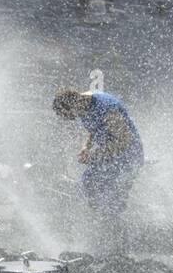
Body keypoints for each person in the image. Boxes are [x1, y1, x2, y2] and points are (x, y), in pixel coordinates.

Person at [52, 88, 144, 243]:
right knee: (86, 187)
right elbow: (93, 129)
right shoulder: (83, 105)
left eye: (71, 116)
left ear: (74, 105)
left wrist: (94, 155)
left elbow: (123, 141)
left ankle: (118, 241)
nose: (74, 119)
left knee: (110, 201)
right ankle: (99, 232)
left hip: (127, 158)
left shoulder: (107, 108)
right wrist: (86, 147)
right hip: (106, 157)